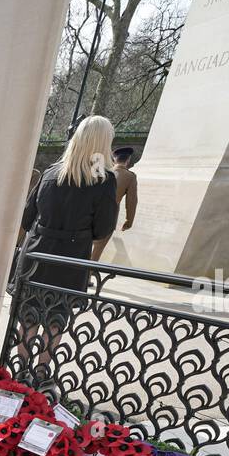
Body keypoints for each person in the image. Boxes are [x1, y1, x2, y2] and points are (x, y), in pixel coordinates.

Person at [15, 116, 119, 374]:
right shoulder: (102, 179)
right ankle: (40, 374)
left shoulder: (51, 172)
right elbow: (103, 229)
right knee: (55, 321)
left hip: (37, 254)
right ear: (103, 143)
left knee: (28, 319)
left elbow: (27, 218)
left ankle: (20, 372)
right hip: (70, 260)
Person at [111, 147, 138, 231]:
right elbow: (131, 201)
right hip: (109, 215)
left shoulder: (102, 171)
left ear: (114, 159)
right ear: (128, 160)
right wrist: (128, 222)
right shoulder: (130, 176)